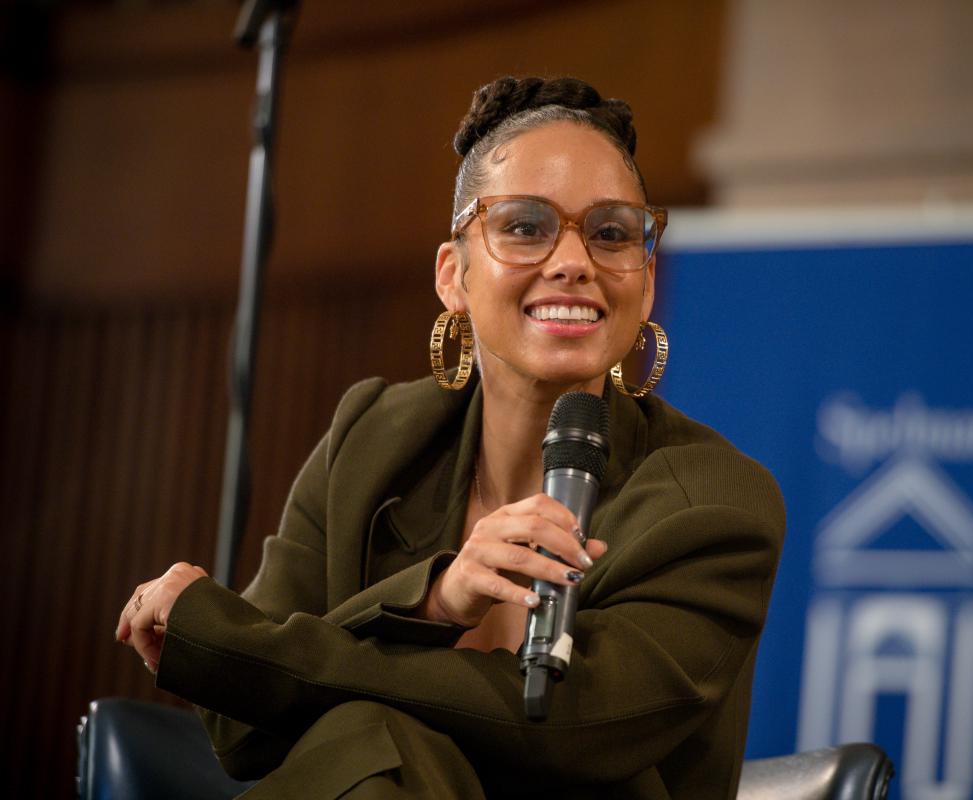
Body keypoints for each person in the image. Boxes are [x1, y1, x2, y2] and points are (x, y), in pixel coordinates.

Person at [115, 76, 786, 799]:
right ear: (453, 275)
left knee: (378, 738)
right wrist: (434, 602)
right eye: (525, 226)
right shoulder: (370, 441)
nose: (572, 261)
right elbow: (243, 732)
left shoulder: (715, 503)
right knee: (376, 741)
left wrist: (234, 645)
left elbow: (564, 725)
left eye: (612, 232)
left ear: (645, 280)